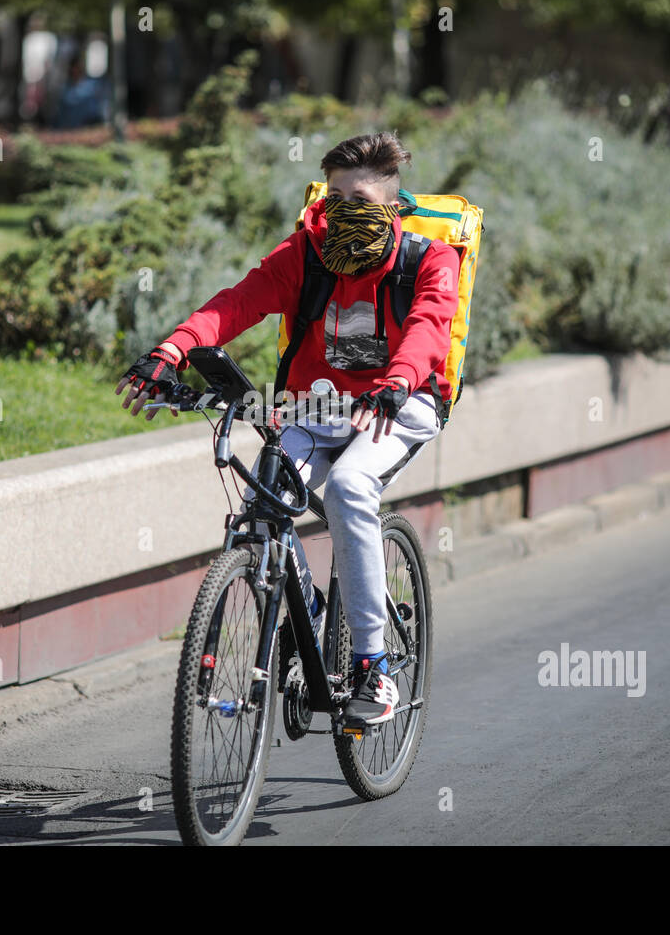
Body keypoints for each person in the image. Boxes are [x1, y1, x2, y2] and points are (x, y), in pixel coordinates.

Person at [115, 132, 460, 727]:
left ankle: (373, 666)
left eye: (358, 200)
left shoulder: (429, 260)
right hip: (315, 407)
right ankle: (314, 604)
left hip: (397, 404)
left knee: (351, 489)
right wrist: (171, 350)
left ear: (392, 206)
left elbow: (430, 327)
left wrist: (398, 380)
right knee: (262, 508)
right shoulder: (305, 254)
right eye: (333, 198)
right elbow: (235, 304)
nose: (340, 213)